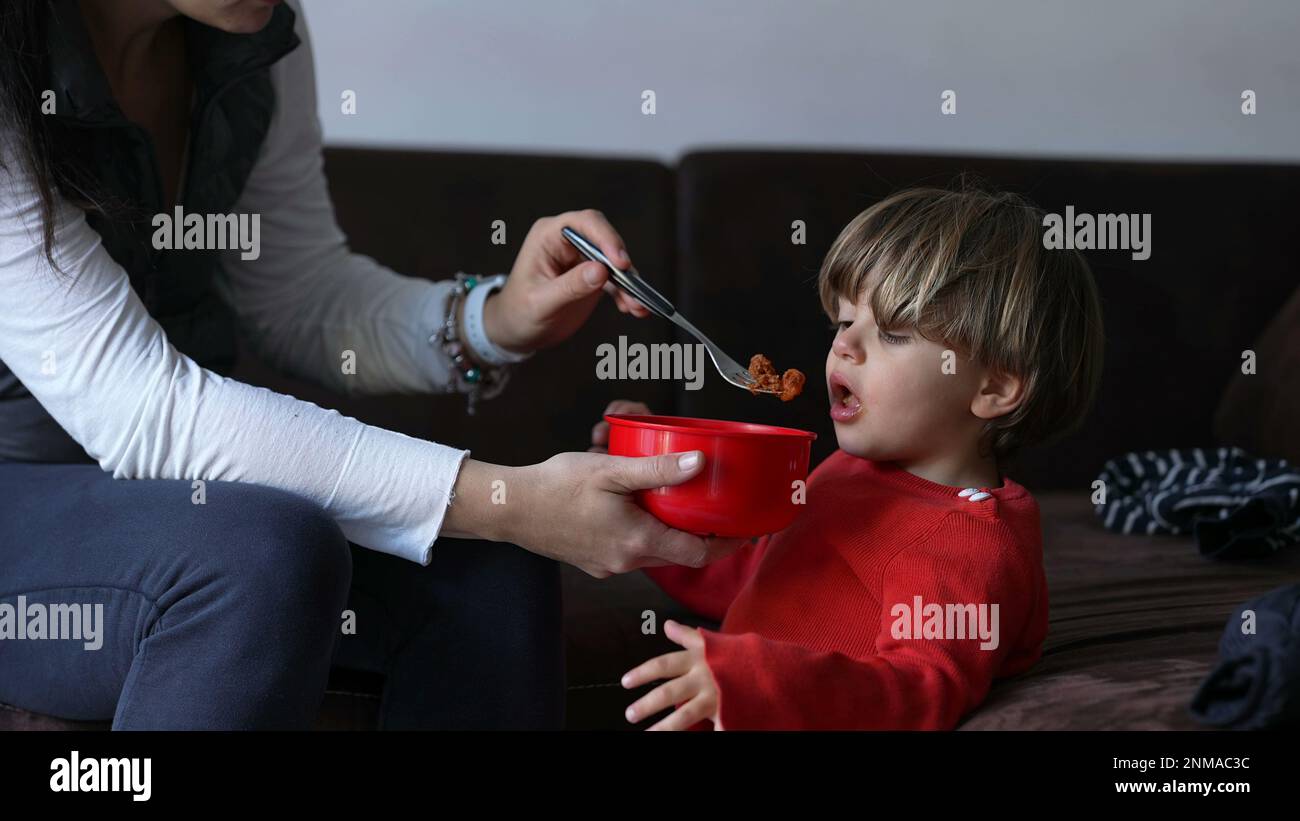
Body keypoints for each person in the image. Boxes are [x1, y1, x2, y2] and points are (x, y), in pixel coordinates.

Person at [0, 0, 739, 729]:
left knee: (495, 568)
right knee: (261, 554)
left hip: (167, 501)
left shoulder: (257, 31)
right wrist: (515, 502)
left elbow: (295, 292)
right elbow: (143, 409)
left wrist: (494, 321)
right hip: (21, 502)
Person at [591, 186, 1105, 729]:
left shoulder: (966, 542)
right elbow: (761, 578)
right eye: (843, 321)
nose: (844, 345)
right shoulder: (848, 473)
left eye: (893, 333)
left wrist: (755, 679)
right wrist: (652, 495)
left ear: (994, 387)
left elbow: (919, 689)